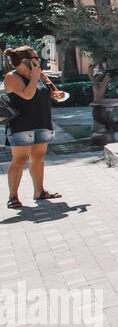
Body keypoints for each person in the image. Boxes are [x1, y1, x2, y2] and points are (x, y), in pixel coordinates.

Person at [4, 46, 61, 209]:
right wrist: (36, 76)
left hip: (42, 122)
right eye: (35, 59)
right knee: (19, 160)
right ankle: (13, 197)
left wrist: (53, 89)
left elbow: (53, 93)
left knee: (38, 158)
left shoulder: (37, 75)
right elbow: (28, 95)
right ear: (24, 61)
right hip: (22, 126)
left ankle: (39, 192)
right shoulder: (11, 77)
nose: (38, 62)